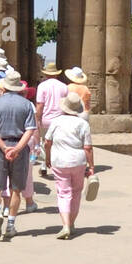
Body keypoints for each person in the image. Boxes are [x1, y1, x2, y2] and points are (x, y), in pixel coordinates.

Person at [0, 71, 37, 241]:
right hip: (19, 148)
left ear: (4, 86)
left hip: (0, 147)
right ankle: (11, 224)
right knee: (16, 189)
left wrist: (4, 147)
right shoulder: (27, 104)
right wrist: (18, 148)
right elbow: (30, 130)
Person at [42, 91, 95, 239]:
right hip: (78, 161)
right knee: (76, 192)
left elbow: (47, 142)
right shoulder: (83, 124)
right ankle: (71, 224)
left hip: (59, 161)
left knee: (63, 193)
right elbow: (88, 147)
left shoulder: (56, 122)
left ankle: (65, 225)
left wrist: (47, 158)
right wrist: (91, 166)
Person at [35, 62, 68, 179]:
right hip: (60, 118)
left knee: (45, 143)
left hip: (46, 119)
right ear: (57, 74)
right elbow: (66, 105)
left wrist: (37, 118)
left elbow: (40, 104)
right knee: (58, 144)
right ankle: (57, 166)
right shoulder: (64, 86)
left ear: (46, 74)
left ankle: (44, 165)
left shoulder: (42, 86)